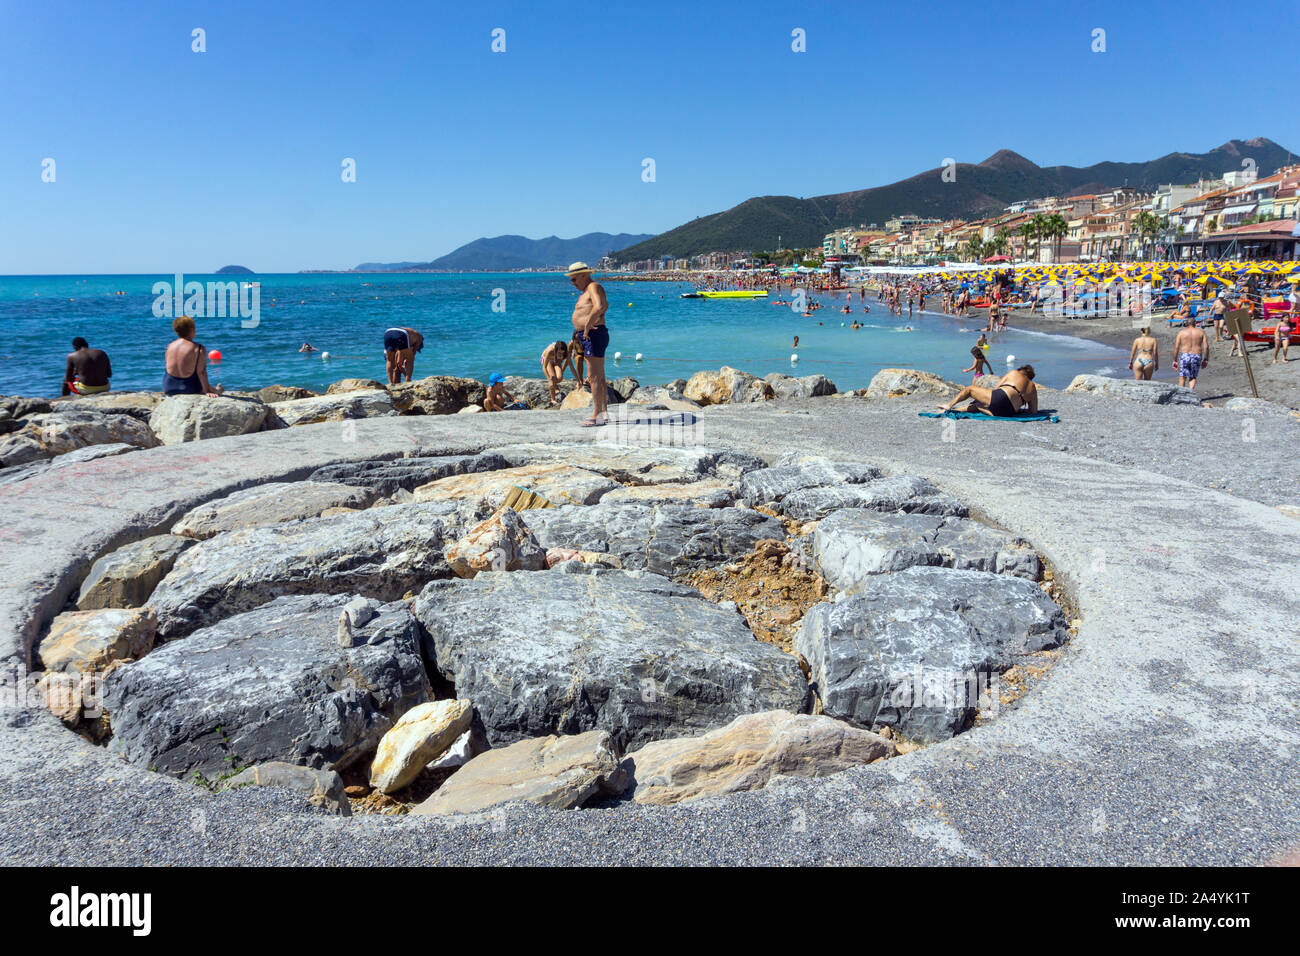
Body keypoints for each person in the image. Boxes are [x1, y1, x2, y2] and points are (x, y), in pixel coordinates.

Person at [566, 262, 609, 427]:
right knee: (599, 375)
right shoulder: (589, 290)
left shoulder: (593, 286)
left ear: (584, 275)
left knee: (594, 376)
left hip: (592, 334)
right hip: (591, 334)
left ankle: (597, 415)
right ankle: (603, 412)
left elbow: (599, 307)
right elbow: (605, 305)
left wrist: (588, 326)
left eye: (574, 279)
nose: (573, 283)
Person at [936, 364, 1038, 418]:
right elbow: (1033, 411)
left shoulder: (1014, 372)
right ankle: (953, 411)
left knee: (970, 389)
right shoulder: (1033, 388)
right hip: (1007, 412)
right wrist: (1019, 409)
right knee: (978, 405)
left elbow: (997, 387)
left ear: (1021, 370)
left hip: (1001, 398)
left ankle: (949, 406)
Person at [162, 316, 222, 396]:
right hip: (188, 388)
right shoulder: (198, 348)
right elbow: (201, 372)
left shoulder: (169, 346)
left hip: (168, 387)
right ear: (192, 330)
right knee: (211, 388)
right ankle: (216, 390)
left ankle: (215, 389)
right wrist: (205, 391)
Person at [1172, 317, 1209, 389]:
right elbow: (1206, 347)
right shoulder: (1201, 332)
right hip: (1196, 355)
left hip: (1185, 355)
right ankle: (1190, 393)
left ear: (1186, 324)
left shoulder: (1182, 333)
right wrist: (1206, 359)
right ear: (1195, 323)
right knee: (1193, 376)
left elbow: (1176, 347)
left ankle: (1181, 395)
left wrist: (1175, 360)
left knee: (1182, 376)